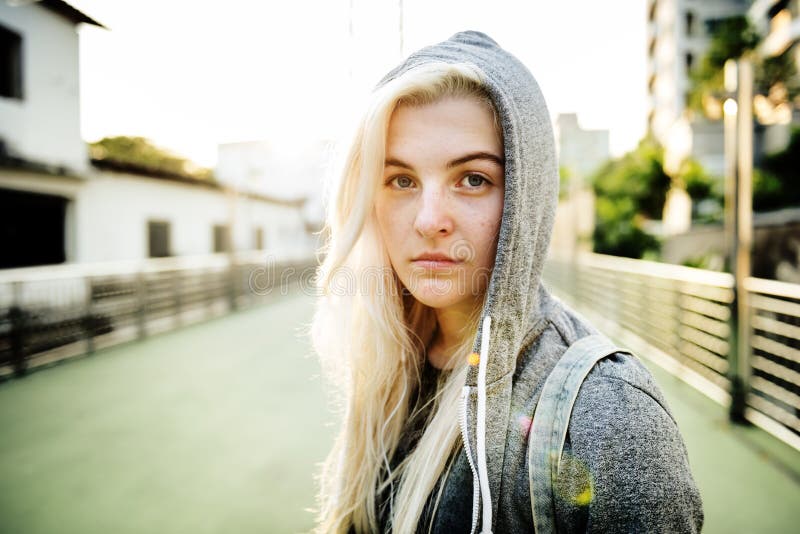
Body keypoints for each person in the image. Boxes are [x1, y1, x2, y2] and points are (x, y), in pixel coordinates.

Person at [312, 31, 703, 533]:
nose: (430, 220)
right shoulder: (387, 358)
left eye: (473, 179)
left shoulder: (610, 416)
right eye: (402, 181)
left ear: (523, 196)